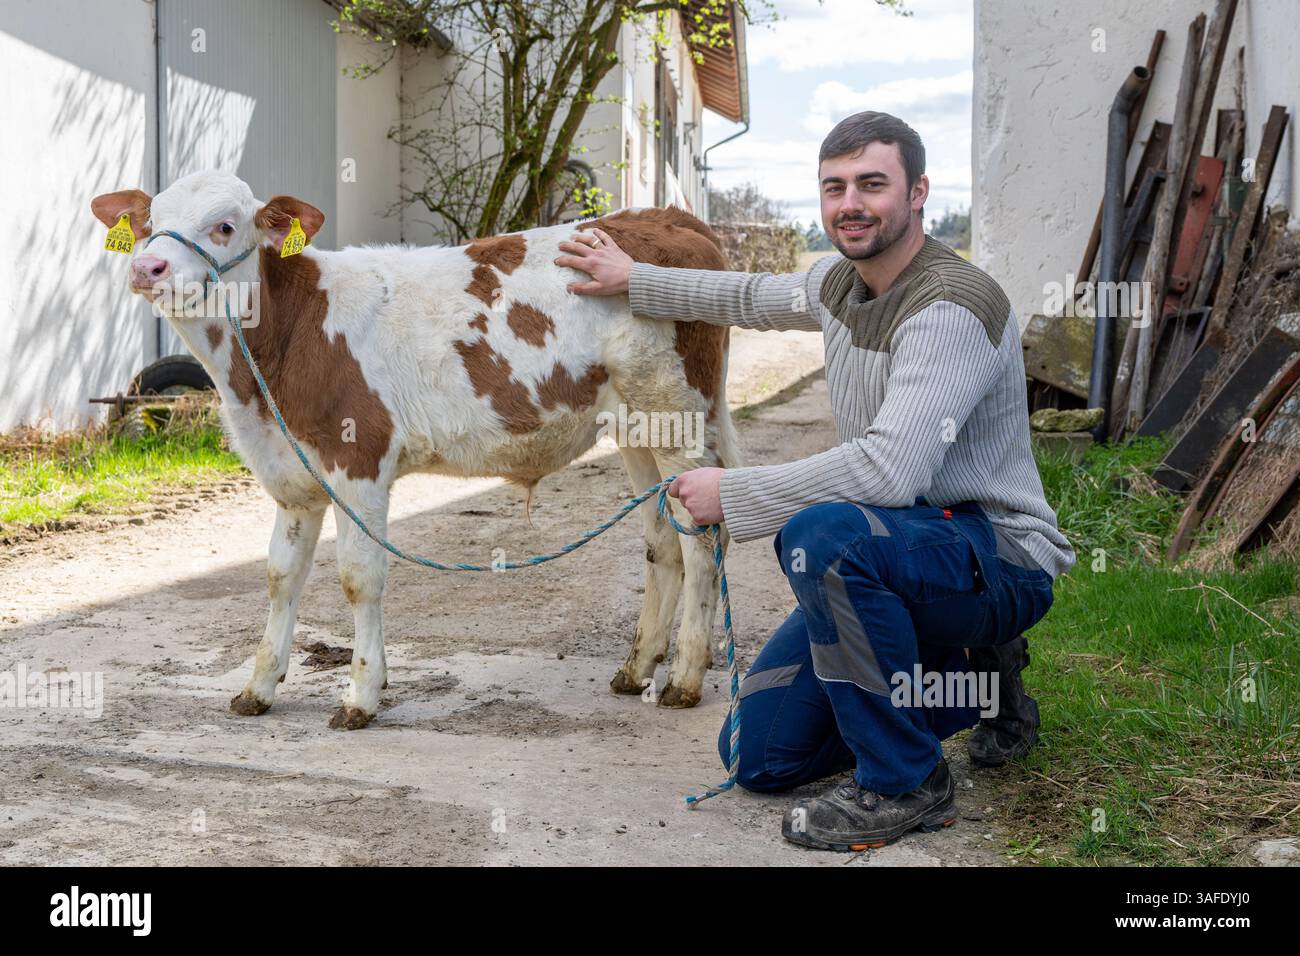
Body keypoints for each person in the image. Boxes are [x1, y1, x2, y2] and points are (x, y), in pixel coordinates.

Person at [554, 111, 1074, 852]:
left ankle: (907, 781)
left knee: (820, 538)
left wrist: (732, 493)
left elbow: (889, 468)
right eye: (835, 188)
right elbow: (743, 296)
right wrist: (634, 278)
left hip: (996, 555)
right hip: (903, 552)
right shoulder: (839, 283)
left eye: (872, 184)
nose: (851, 203)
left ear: (918, 191)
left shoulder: (952, 305)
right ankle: (975, 680)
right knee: (761, 758)